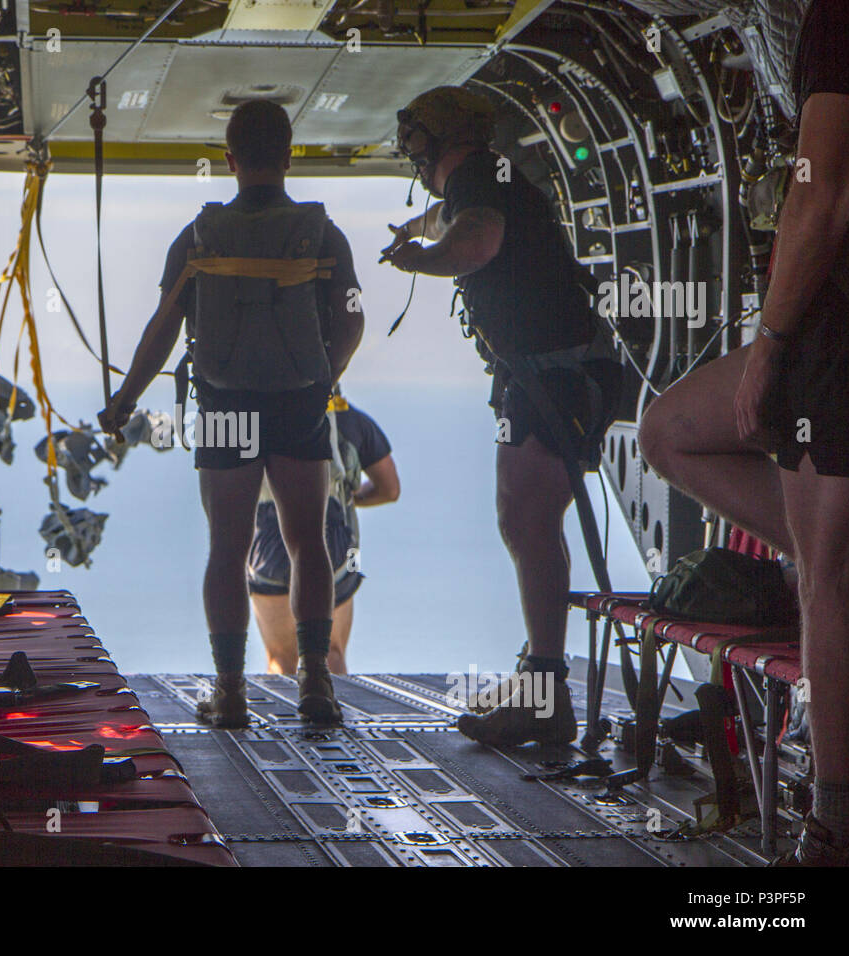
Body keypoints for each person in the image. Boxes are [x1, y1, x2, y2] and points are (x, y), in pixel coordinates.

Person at [637, 0, 849, 865]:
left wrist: (770, 344)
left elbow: (824, 186)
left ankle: (834, 828)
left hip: (834, 325)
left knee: (828, 587)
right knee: (670, 431)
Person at [98, 99, 364, 728]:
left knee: (228, 546)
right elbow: (351, 319)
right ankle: (315, 684)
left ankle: (231, 692)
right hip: (299, 402)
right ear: (289, 155)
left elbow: (161, 331)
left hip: (224, 406)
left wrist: (124, 401)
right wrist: (324, 378)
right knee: (307, 543)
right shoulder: (323, 234)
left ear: (230, 160)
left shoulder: (197, 237)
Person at [380, 86, 622, 746]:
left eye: (413, 140)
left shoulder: (479, 180)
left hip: (553, 377)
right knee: (525, 517)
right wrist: (422, 228)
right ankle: (539, 677)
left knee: (526, 516)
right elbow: (461, 219)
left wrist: (418, 258)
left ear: (432, 140)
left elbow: (477, 242)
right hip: (552, 373)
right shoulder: (488, 177)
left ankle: (544, 692)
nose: (410, 154)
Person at [248, 390, 399, 674]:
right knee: (332, 651)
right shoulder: (353, 422)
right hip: (333, 540)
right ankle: (331, 713)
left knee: (281, 656)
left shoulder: (255, 417)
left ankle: (283, 717)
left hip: (267, 538)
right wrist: (352, 498)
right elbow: (390, 488)